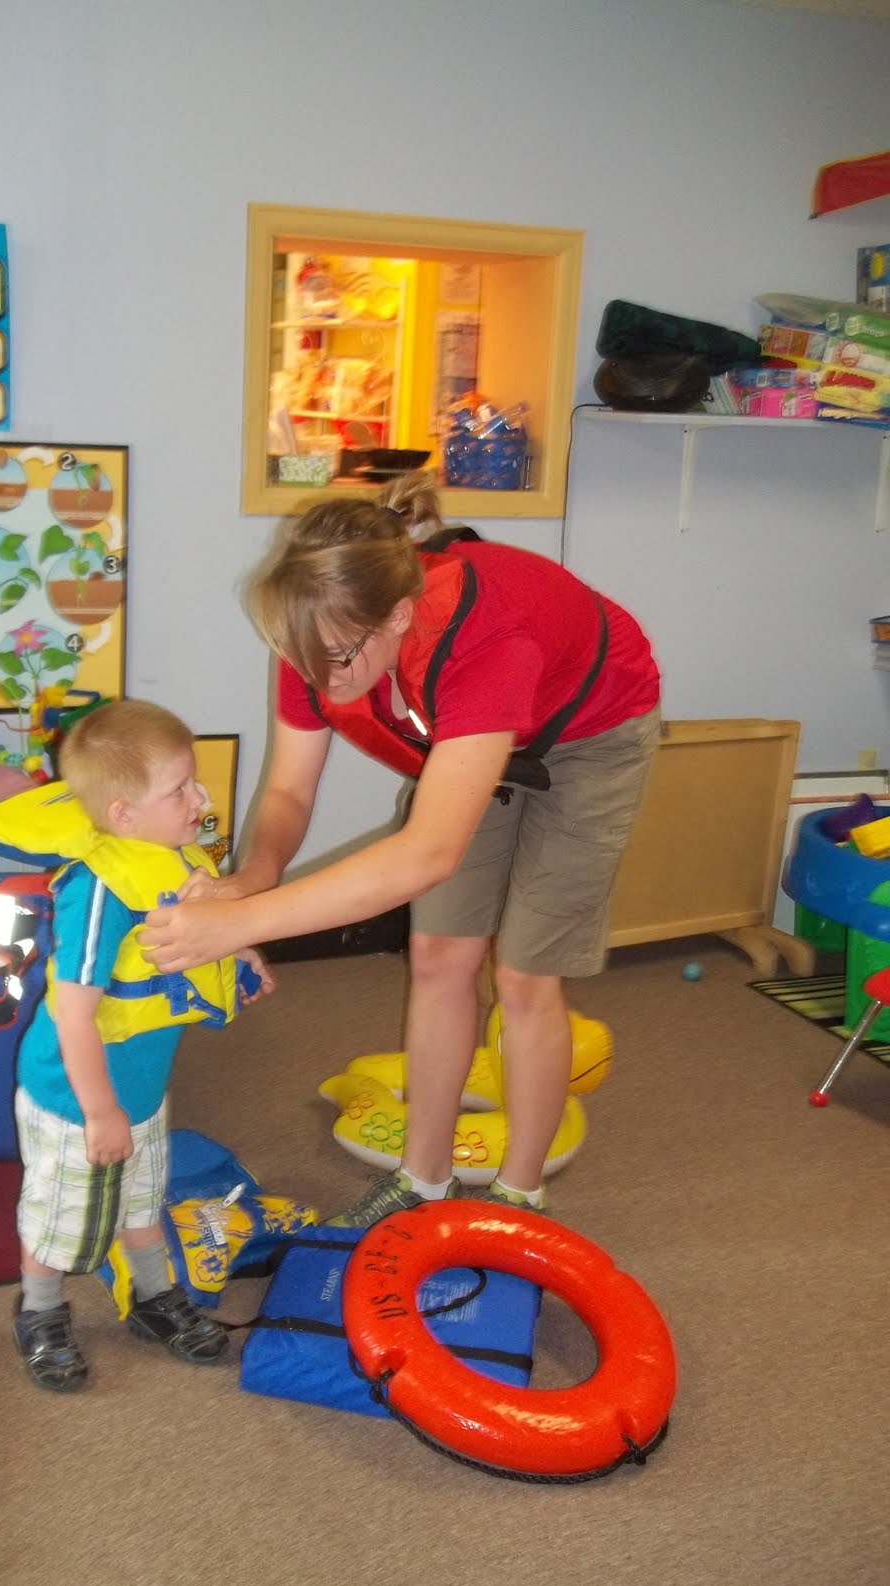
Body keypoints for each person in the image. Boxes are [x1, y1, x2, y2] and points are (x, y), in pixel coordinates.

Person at [140, 471, 660, 1229]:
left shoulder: (486, 642)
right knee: (439, 957)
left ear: (401, 617)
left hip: (589, 737)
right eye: (308, 657)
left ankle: (520, 1197)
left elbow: (426, 855)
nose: (325, 679)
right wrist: (251, 880)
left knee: (521, 975)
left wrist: (241, 926)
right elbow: (288, 793)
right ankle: (424, 1180)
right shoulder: (320, 633)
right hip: (479, 735)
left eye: (343, 658)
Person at [8, 699, 274, 1391]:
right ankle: (39, 1310)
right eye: (180, 790)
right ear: (123, 814)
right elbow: (73, 1015)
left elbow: (202, 925)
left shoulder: (175, 857)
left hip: (141, 1091)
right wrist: (99, 1112)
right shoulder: (98, 893)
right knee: (60, 1220)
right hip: (76, 1098)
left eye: (196, 782)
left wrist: (242, 953)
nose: (202, 799)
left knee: (140, 1203)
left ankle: (154, 1299)